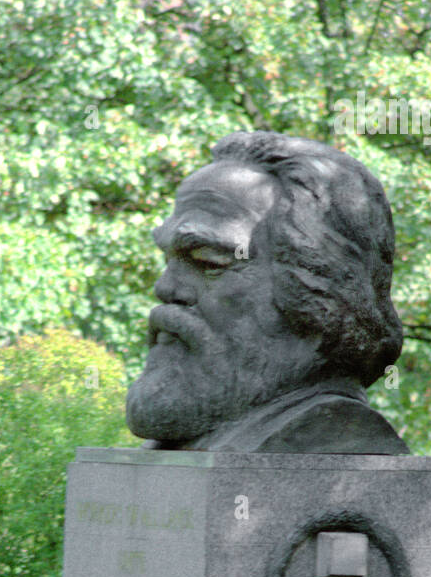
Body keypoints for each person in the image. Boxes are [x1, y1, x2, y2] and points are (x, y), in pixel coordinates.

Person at [126, 130, 408, 456]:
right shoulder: (186, 443)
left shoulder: (335, 441)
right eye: (168, 259)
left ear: (321, 297)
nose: (165, 287)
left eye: (207, 262)